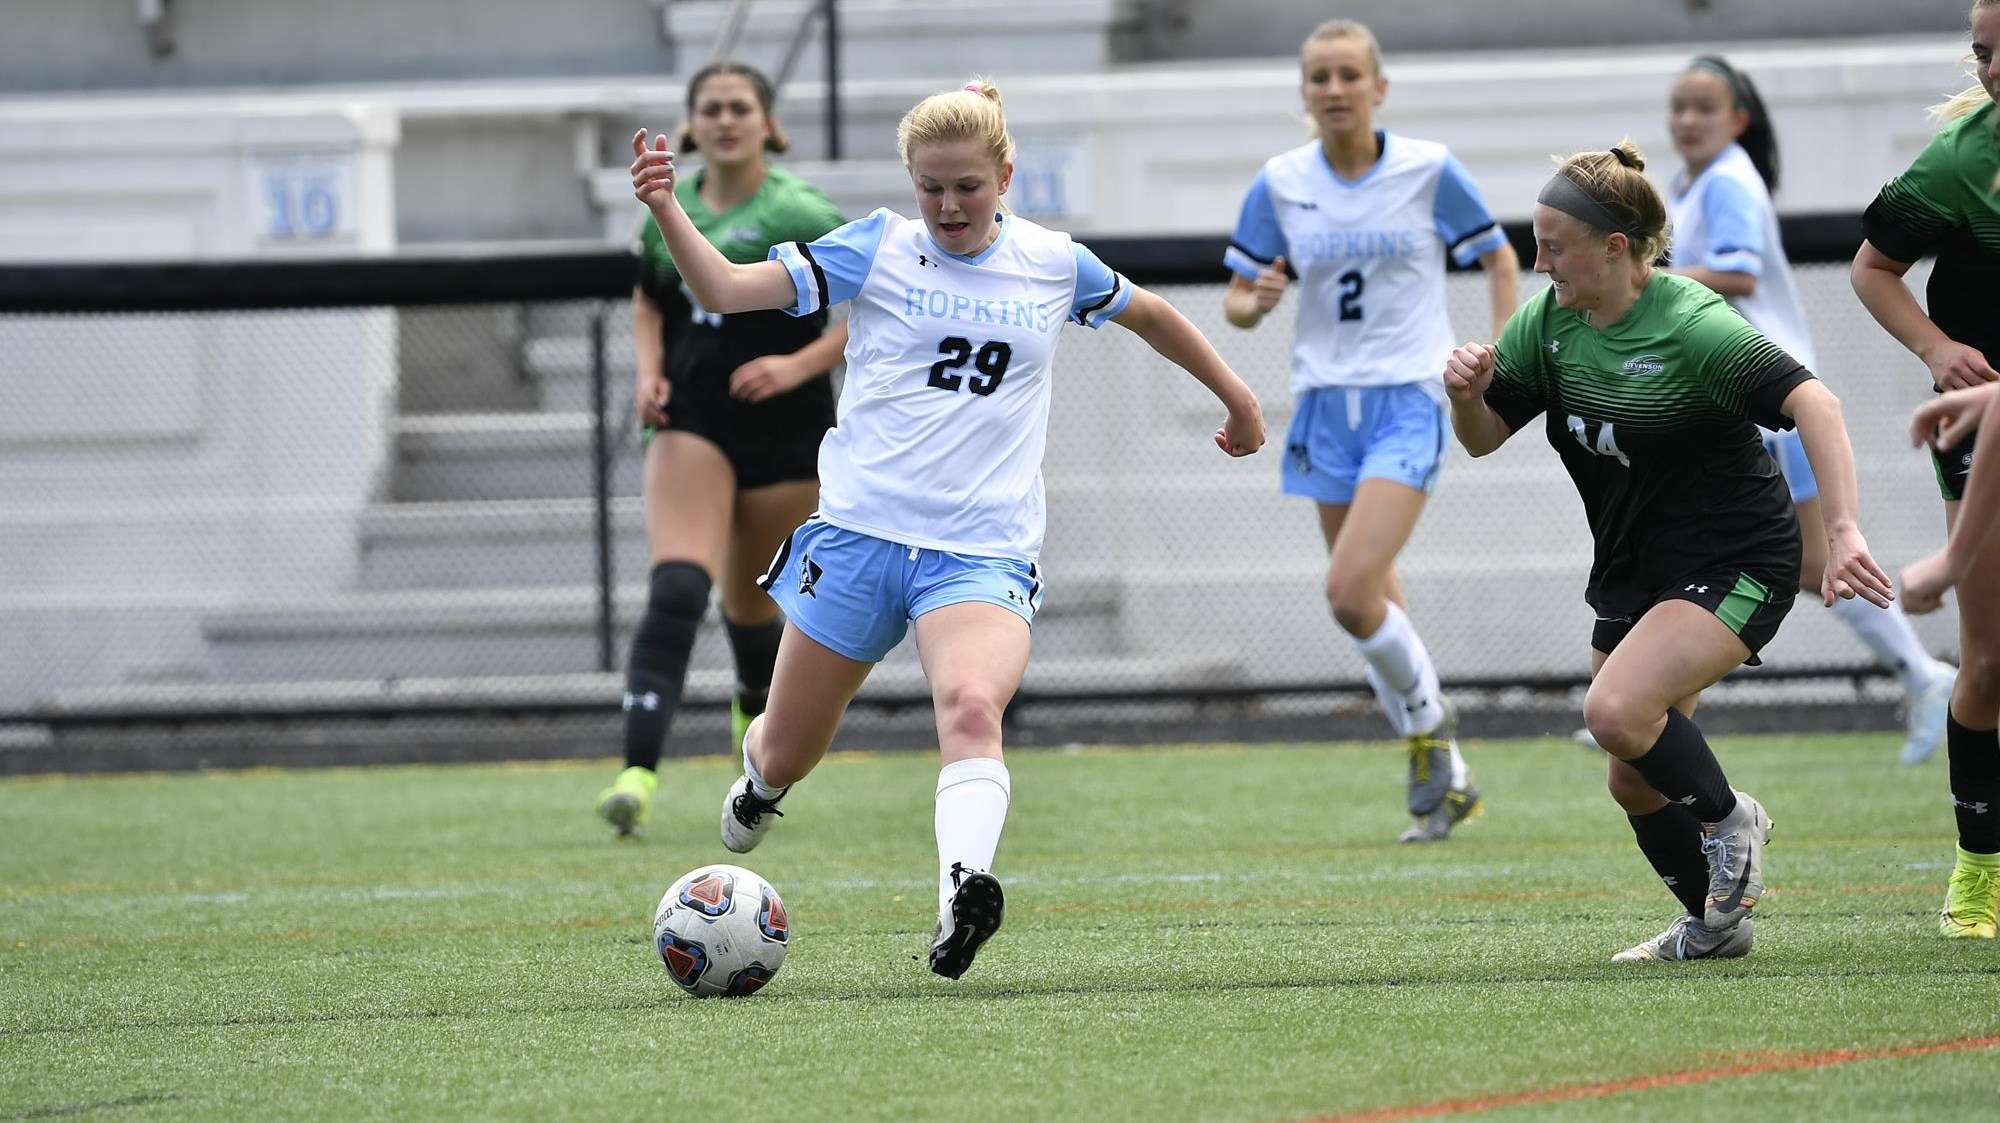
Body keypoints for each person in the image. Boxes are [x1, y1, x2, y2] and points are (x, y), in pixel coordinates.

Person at [630, 78, 1266, 979]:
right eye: (931, 186)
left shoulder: (1052, 262)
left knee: (972, 709)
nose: (948, 204)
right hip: (857, 537)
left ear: (1006, 176)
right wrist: (665, 207)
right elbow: (730, 288)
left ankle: (959, 899)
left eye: (967, 185)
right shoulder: (879, 247)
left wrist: (1238, 400)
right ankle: (760, 782)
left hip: (981, 550)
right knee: (786, 744)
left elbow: (1152, 314)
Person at [1443, 140, 1895, 963]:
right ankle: (1717, 927)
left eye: (1554, 245)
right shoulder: (1549, 323)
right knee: (1630, 773)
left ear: (1616, 248)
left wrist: (1847, 530)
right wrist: (1467, 397)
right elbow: (1480, 441)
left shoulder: (1692, 325)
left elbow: (1817, 404)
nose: (1537, 260)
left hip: (1738, 558)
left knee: (1614, 712)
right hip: (1636, 566)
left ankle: (1733, 820)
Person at [1223, 19, 1519, 843]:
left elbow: (1499, 258)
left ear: (1378, 87)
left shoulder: (1428, 167)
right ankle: (1446, 776)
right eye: (1320, 77)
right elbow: (1239, 299)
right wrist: (1259, 298)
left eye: (1350, 75)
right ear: (1305, 92)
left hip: (1407, 399)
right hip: (1324, 405)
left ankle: (1429, 734)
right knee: (1376, 599)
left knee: (1350, 593)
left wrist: (1501, 351)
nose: (1335, 89)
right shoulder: (1280, 181)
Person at [1652, 55, 1954, 765]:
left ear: (1738, 118)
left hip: (1765, 399)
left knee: (1807, 562)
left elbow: (1738, 271)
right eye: (1679, 107)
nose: (1688, 120)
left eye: (1704, 106)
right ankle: (1650, 700)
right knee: (1792, 562)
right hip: (1736, 395)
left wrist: (1641, 273)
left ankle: (1925, 674)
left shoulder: (1727, 179)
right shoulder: (1692, 184)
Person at [594, 61, 850, 840]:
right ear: (693, 124)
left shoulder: (801, 207)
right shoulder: (664, 210)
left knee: (753, 614)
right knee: (677, 587)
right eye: (712, 108)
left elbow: (867, 308)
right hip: (694, 418)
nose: (726, 118)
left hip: (785, 428)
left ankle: (756, 765)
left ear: (767, 122)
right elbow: (647, 298)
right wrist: (648, 375)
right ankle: (636, 773)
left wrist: (797, 364)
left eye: (741, 106)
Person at [1856, 0, 2000, 937]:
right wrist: (1940, 349)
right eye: (1983, 53)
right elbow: (1874, 268)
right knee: (1989, 658)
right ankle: (1979, 873)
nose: (1991, 72)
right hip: (1981, 432)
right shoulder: (1962, 159)